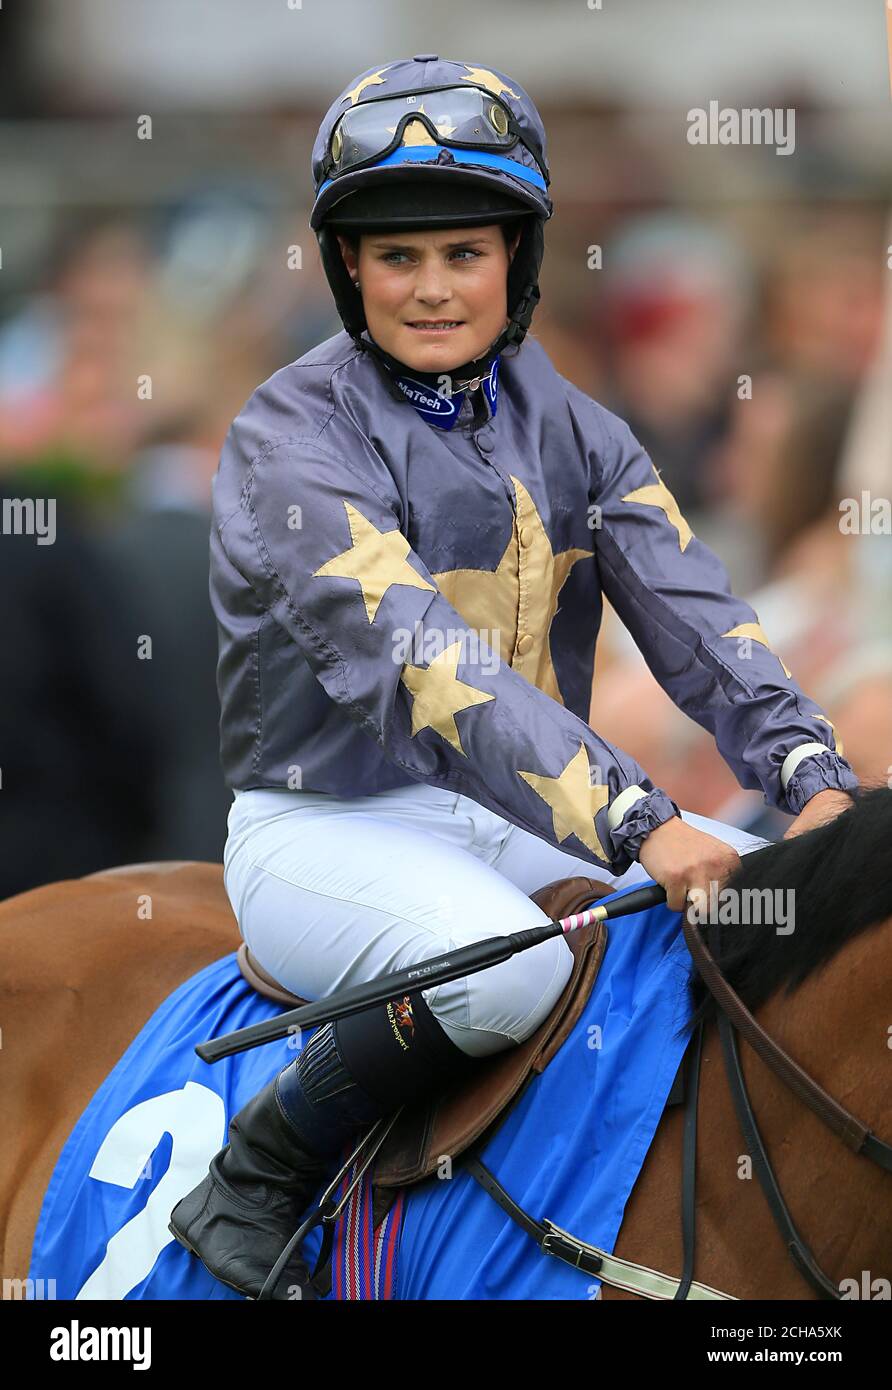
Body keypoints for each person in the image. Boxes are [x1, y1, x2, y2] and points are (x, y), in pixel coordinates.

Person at [168, 56, 858, 1299]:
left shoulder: (578, 425)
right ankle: (259, 1173)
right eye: (395, 257)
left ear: (517, 260)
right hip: (320, 827)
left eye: (462, 252)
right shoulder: (287, 432)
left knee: (788, 927)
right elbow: (425, 666)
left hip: (512, 818)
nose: (431, 287)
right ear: (347, 272)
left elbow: (696, 615)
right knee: (504, 966)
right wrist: (640, 818)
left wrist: (810, 774)